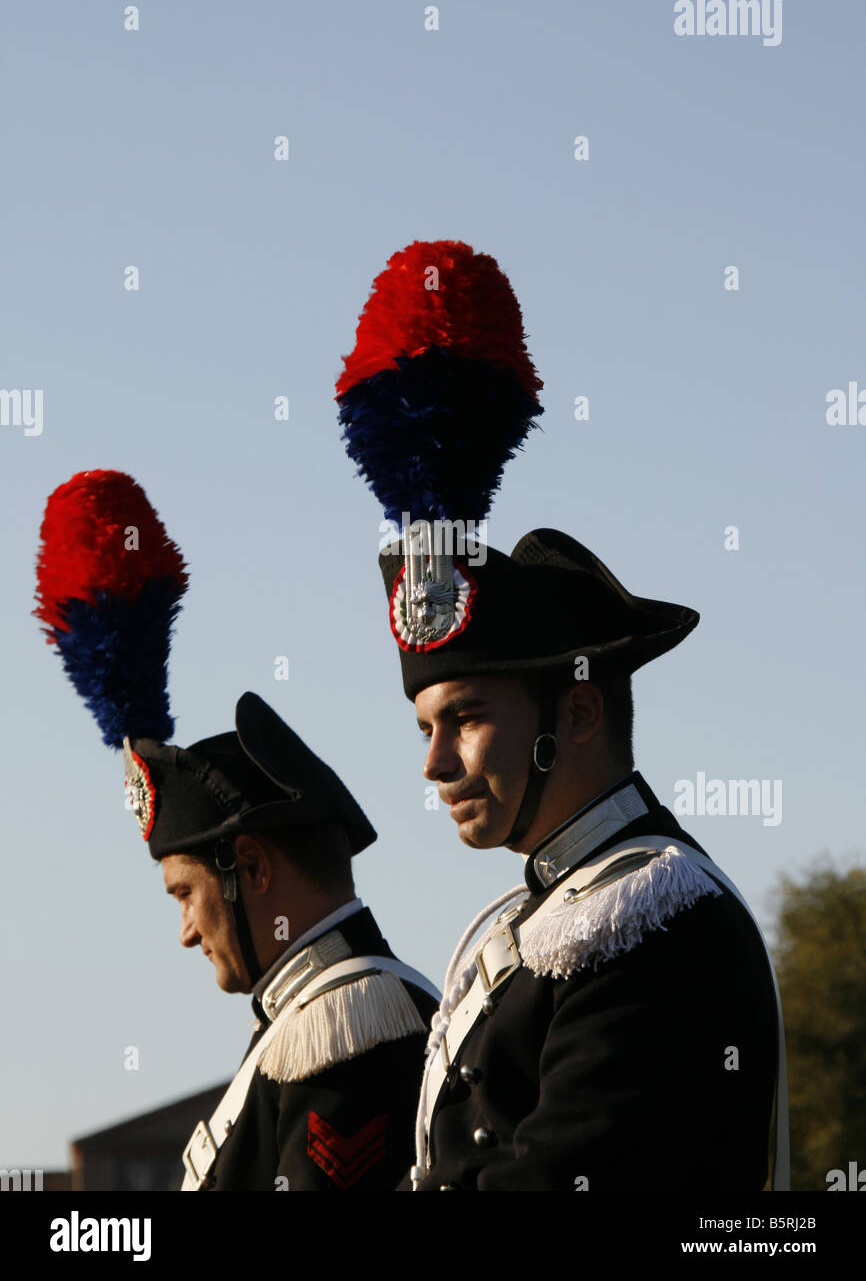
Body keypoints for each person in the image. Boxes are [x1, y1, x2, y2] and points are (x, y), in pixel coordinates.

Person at [334, 238, 788, 1192]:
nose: (436, 766)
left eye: (462, 718)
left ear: (578, 711)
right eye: (425, 729)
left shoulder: (656, 919)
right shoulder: (538, 922)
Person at [35, 469, 439, 1192]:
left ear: (251, 868)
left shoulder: (346, 1026)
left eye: (184, 894)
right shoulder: (308, 1023)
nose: (186, 931)